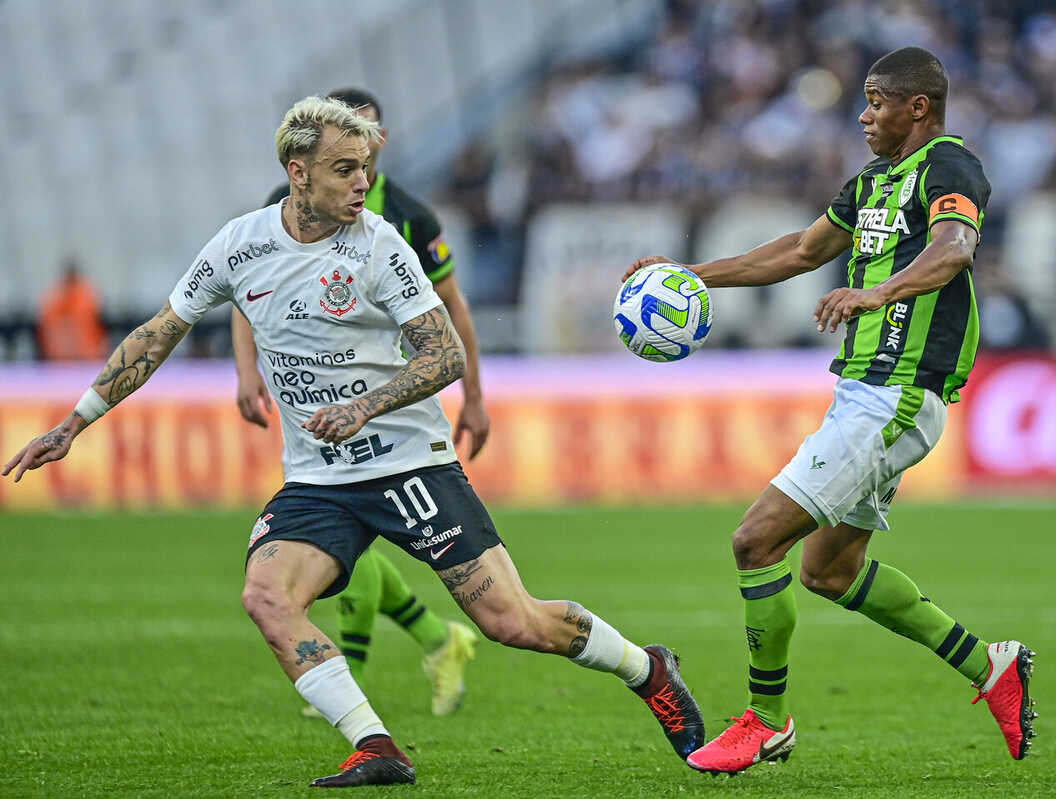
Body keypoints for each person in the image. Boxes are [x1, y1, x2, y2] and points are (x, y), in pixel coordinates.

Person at [5, 95, 704, 788]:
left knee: (512, 621)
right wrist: (75, 421)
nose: (362, 184)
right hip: (319, 480)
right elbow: (158, 333)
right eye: (344, 170)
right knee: (268, 597)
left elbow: (444, 355)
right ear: (298, 170)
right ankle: (375, 743)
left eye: (366, 168)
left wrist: (364, 404)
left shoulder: (380, 245)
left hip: (409, 466)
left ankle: (647, 669)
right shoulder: (239, 245)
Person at [625, 47, 1035, 774]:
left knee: (755, 541)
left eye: (876, 100)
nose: (863, 113)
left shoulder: (949, 165)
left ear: (918, 106)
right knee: (831, 573)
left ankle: (764, 719)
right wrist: (690, 274)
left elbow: (955, 250)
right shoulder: (872, 183)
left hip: (898, 390)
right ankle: (990, 664)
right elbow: (799, 250)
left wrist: (875, 294)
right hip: (864, 391)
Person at [235, 87, 485, 719]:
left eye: (366, 143)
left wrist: (474, 397)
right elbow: (244, 288)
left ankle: (361, 676)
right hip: (318, 411)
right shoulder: (286, 210)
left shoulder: (406, 219)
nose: (359, 161)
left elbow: (453, 312)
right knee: (345, 545)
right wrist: (247, 370)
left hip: (396, 413)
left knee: (354, 544)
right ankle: (429, 642)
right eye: (345, 152)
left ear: (382, 140)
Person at [36, 257, 108, 361]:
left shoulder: (86, 295)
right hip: (64, 358)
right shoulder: (55, 298)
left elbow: (99, 325)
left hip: (84, 356)